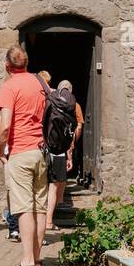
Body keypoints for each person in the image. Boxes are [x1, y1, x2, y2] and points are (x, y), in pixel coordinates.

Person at [0, 44, 48, 266]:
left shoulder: (9, 86)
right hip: (41, 153)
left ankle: (27, 263)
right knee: (40, 208)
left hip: (20, 152)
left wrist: (0, 150)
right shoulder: (41, 83)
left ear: (8, 66)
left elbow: (6, 125)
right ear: (26, 63)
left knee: (24, 209)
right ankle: (36, 260)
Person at [43, 78, 81, 233]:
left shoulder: (47, 101)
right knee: (53, 187)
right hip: (59, 151)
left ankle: (40, 220)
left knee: (39, 188)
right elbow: (71, 132)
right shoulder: (72, 106)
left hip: (41, 148)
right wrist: (69, 155)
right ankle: (48, 221)